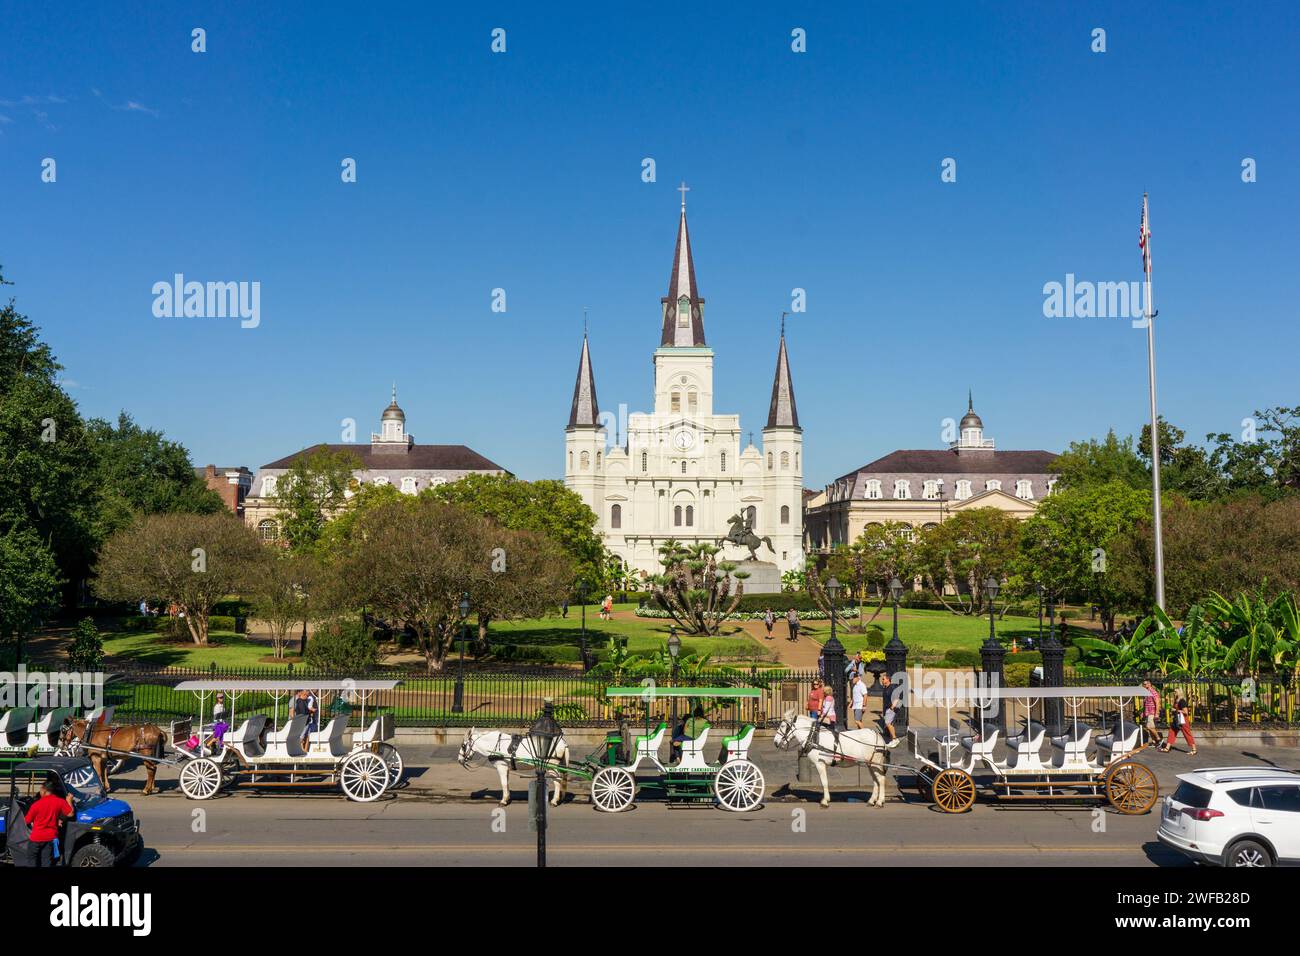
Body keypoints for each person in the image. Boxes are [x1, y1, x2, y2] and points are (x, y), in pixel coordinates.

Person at [21, 772, 74, 867]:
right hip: (50, 838)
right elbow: (70, 813)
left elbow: (26, 821)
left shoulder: (36, 805)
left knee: (31, 859)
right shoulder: (59, 801)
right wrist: (69, 801)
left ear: (44, 790)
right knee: (46, 862)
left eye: (40, 789)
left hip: (36, 838)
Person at [1160, 688, 1196, 755]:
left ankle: (1194, 749)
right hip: (1176, 719)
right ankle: (1167, 748)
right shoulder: (1176, 700)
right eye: (1174, 692)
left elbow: (1186, 712)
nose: (1174, 693)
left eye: (1176, 692)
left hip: (1183, 720)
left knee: (1187, 733)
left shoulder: (1182, 701)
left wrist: (1175, 710)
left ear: (1179, 693)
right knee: (1172, 732)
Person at [879, 672, 899, 744]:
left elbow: (897, 697)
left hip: (891, 708)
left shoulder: (892, 687)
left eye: (883, 679)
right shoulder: (885, 687)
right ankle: (892, 739)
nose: (882, 680)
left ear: (888, 679)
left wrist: (892, 707)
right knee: (889, 723)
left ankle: (894, 739)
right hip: (887, 708)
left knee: (887, 723)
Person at [1141, 680, 1161, 746]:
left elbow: (1157, 702)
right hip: (1147, 712)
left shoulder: (1153, 692)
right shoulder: (1146, 693)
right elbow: (1145, 704)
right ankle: (1154, 741)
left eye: (1144, 684)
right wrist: (1143, 712)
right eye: (1143, 684)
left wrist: (1157, 713)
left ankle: (1159, 739)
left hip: (1152, 712)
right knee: (1149, 728)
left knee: (1150, 727)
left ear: (1149, 684)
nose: (1143, 685)